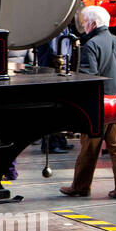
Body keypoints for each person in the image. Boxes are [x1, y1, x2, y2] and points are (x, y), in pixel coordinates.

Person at [60, 6, 116, 200]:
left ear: (93, 24)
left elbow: (89, 77)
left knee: (89, 148)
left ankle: (80, 187)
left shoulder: (91, 45)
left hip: (98, 106)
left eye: (85, 22)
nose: (83, 26)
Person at [36, 23, 77, 152]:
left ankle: (60, 140)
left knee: (60, 107)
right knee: (53, 107)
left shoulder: (61, 26)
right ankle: (51, 144)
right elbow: (56, 49)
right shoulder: (54, 27)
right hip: (53, 70)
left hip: (56, 69)